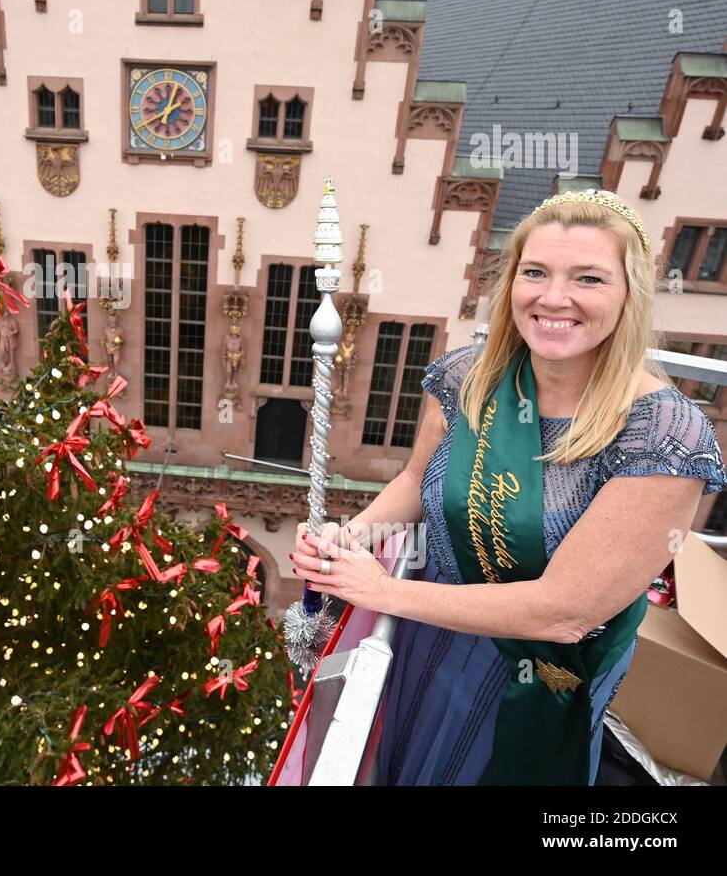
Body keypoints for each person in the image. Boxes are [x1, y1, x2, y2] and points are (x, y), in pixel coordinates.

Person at [291, 188, 726, 785]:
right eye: (536, 272)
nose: (554, 297)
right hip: (431, 632)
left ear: (630, 294)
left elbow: (563, 614)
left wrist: (381, 593)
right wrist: (351, 539)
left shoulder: (661, 435)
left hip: (535, 671)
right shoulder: (470, 376)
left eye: (589, 279)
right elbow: (418, 479)